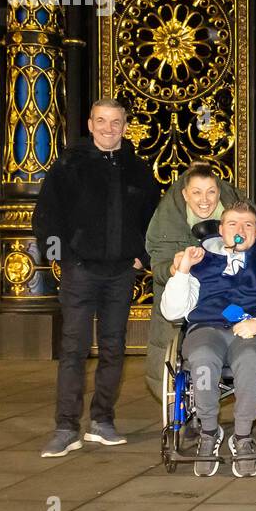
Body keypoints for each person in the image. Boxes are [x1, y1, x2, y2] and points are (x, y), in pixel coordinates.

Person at [34, 99, 161, 458]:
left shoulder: (138, 169)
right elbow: (47, 215)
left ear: (125, 125)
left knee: (113, 349)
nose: (109, 128)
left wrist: (143, 256)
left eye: (116, 122)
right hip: (80, 271)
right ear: (90, 124)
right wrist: (63, 258)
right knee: (73, 349)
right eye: (102, 121)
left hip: (121, 272)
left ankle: (102, 421)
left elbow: (153, 219)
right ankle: (66, 427)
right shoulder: (68, 165)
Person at [159, 201, 256, 477]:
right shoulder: (200, 260)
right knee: (201, 358)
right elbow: (172, 311)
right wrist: (184, 270)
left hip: (253, 331)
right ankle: (209, 432)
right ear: (221, 230)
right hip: (206, 328)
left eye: (248, 225)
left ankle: (243, 436)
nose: (240, 229)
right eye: (233, 224)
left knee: (248, 358)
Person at [144, 162, 256, 401]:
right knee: (174, 334)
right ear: (185, 194)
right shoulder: (168, 220)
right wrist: (174, 267)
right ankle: (181, 403)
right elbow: (157, 267)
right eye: (196, 192)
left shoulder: (238, 213)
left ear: (219, 192)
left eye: (210, 192)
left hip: (228, 299)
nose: (204, 200)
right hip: (186, 296)